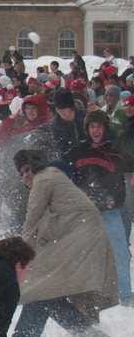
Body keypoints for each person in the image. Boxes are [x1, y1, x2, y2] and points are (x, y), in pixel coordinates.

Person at [9, 149, 118, 337]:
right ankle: (88, 335)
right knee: (45, 293)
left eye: (27, 169)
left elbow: (31, 221)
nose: (26, 175)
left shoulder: (44, 179)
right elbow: (47, 226)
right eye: (21, 173)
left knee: (41, 291)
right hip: (81, 239)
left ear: (36, 165)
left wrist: (17, 255)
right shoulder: (53, 177)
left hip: (81, 239)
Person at [64, 110, 134, 304]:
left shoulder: (115, 151)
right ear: (87, 129)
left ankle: (125, 295)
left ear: (105, 128)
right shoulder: (78, 151)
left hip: (112, 212)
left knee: (120, 253)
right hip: (85, 212)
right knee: (84, 253)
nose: (96, 130)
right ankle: (85, 295)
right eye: (92, 126)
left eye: (99, 126)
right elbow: (62, 172)